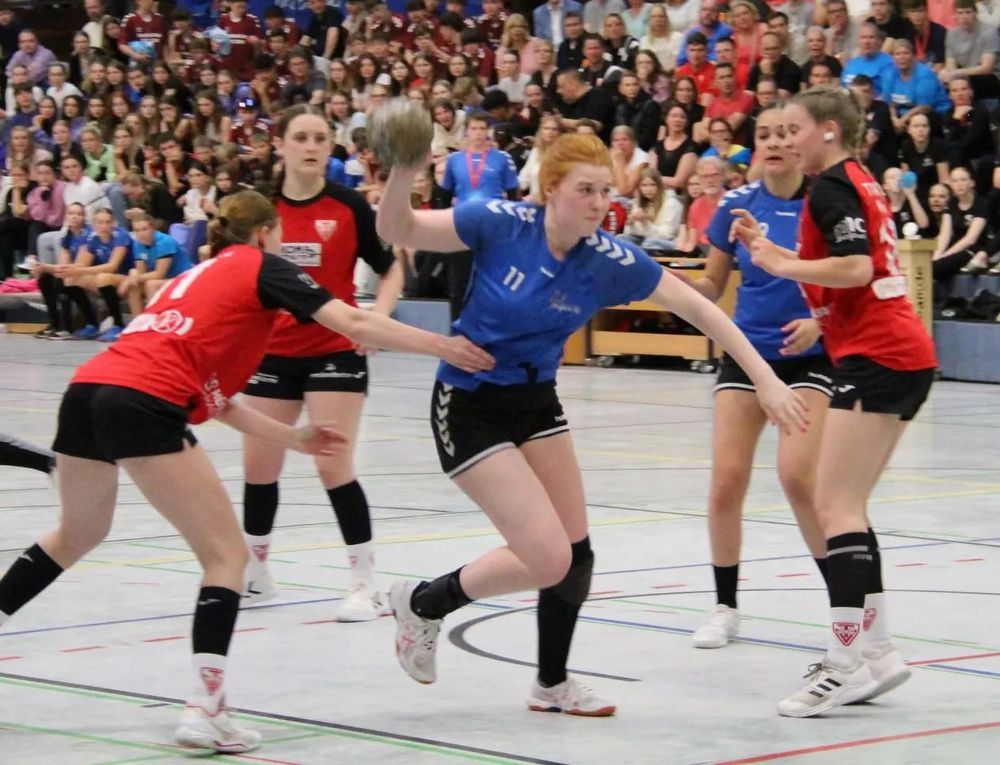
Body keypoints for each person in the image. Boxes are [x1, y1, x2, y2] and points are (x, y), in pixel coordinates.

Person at [0, 189, 493, 754]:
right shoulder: (260, 266)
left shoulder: (204, 280)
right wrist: (442, 346)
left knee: (77, 532)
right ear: (263, 235)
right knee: (226, 559)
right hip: (141, 399)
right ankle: (205, 708)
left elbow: (221, 401)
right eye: (280, 236)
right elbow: (352, 319)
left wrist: (295, 438)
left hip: (88, 390)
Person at [375, 124, 807, 715]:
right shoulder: (497, 222)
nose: (601, 204)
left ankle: (551, 685)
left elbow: (703, 309)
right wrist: (403, 169)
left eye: (607, 191)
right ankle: (423, 602)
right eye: (586, 190)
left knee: (576, 555)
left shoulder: (610, 260)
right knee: (547, 556)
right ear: (551, 188)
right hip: (469, 403)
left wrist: (765, 378)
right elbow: (397, 229)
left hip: (536, 401)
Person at [731, 86, 937, 718]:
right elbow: (865, 264)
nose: (784, 140)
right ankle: (878, 651)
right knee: (844, 504)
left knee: (834, 504)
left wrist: (783, 267)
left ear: (826, 130)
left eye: (794, 129)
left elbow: (854, 270)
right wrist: (781, 261)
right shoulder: (858, 180)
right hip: (896, 352)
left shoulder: (828, 188)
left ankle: (842, 662)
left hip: (881, 356)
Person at [239, 104, 407, 622]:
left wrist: (376, 319)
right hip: (271, 351)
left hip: (335, 350)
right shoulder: (258, 210)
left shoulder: (350, 205)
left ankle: (364, 583)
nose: (311, 146)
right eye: (301, 137)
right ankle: (256, 571)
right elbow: (235, 276)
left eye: (320, 137)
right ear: (282, 145)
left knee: (333, 464)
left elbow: (391, 267)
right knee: (259, 467)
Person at [688, 107, 833, 649]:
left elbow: (853, 281)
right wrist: (661, 284)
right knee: (726, 480)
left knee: (799, 479)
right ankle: (725, 606)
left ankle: (844, 603)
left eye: (784, 134)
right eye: (764, 135)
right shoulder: (735, 205)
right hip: (748, 355)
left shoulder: (825, 202)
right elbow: (711, 282)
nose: (774, 143)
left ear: (803, 142)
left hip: (811, 357)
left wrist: (819, 324)